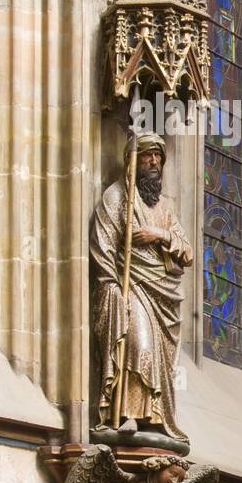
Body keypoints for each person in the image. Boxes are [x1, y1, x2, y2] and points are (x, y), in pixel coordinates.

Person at [90, 133, 193, 441]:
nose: (153, 162)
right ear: (133, 161)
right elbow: (102, 247)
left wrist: (157, 234)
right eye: (147, 156)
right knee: (139, 346)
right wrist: (112, 289)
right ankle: (126, 414)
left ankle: (153, 416)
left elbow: (186, 253)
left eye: (158, 157)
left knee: (158, 358)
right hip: (130, 285)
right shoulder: (117, 198)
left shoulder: (165, 210)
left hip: (164, 295)